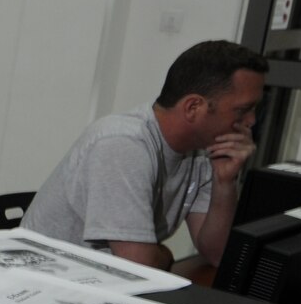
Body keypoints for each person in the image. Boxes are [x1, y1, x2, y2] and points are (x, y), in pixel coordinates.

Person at [20, 40, 267, 269]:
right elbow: (138, 266)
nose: (251, 121)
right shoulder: (122, 144)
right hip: (41, 286)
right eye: (242, 110)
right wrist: (164, 255)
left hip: (96, 284)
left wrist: (225, 182)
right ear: (193, 107)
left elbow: (217, 255)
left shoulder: (204, 152)